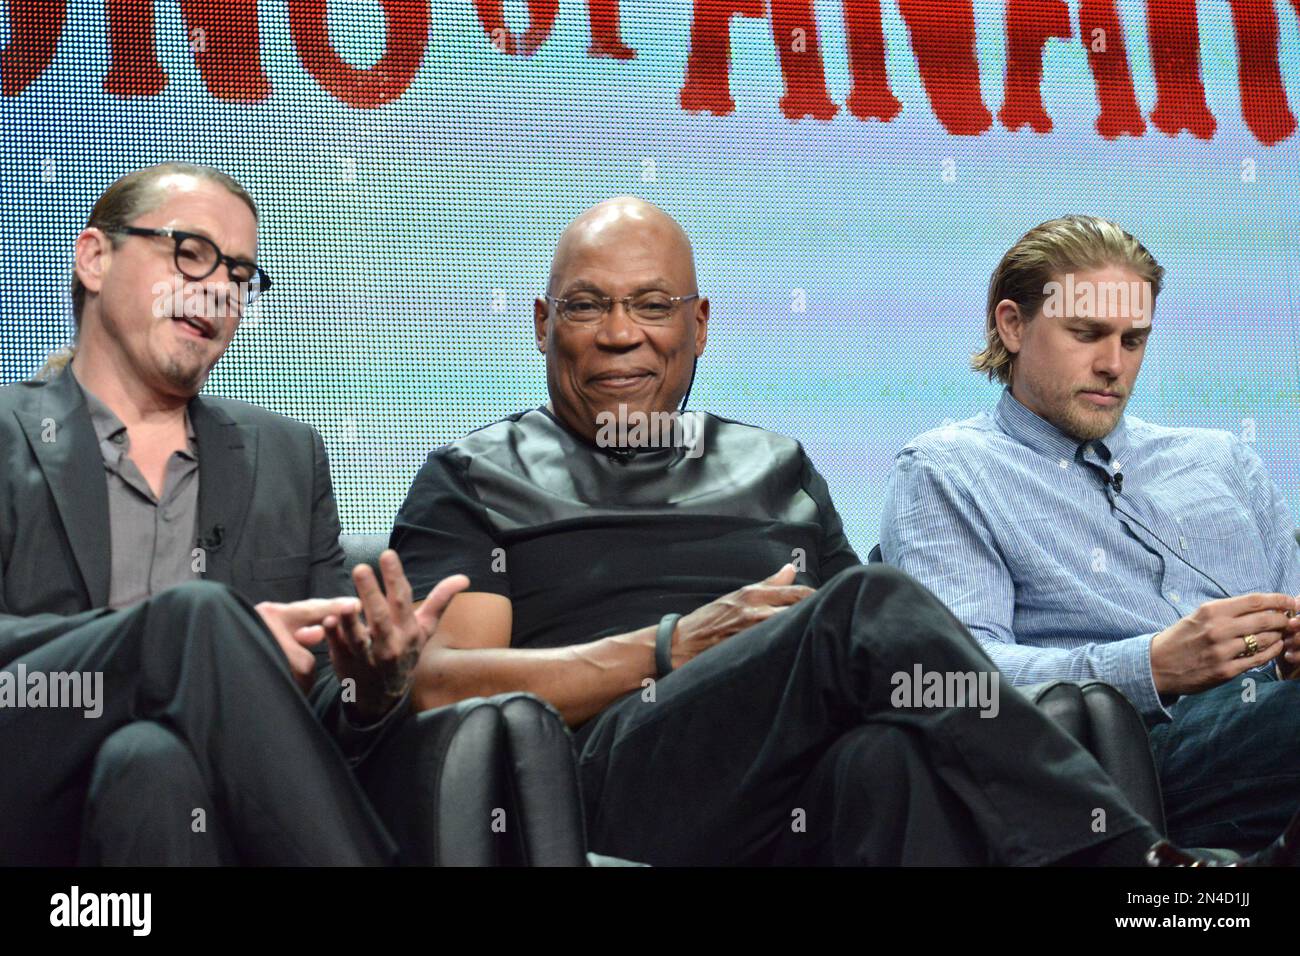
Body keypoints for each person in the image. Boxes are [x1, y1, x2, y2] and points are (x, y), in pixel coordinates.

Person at [391, 196, 1298, 865]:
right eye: (588, 307)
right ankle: (1132, 867)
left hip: (793, 788)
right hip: (620, 774)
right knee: (869, 604)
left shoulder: (775, 468)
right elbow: (442, 688)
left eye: (654, 305)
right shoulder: (479, 478)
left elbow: (881, 666)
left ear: (700, 327)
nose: (622, 334)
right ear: (544, 327)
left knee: (890, 754)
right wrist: (668, 647)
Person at [0, 162, 500, 865]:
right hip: (26, 792)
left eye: (238, 275)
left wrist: (369, 687)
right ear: (94, 258)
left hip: (192, 820)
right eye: (191, 253)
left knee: (151, 762)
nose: (217, 290)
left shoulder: (287, 459)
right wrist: (177, 645)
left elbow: (312, 713)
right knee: (195, 619)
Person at [881, 214, 1300, 852]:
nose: (1113, 365)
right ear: (1013, 325)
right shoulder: (951, 469)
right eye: (1087, 334)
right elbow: (955, 675)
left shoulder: (1222, 460)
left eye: (1133, 341)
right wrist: (1151, 666)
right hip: (1129, 759)